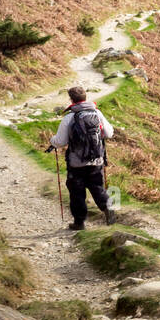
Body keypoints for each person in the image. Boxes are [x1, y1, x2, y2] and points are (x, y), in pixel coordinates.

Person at [47, 86, 116, 230]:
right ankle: (108, 209)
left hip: (76, 163)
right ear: (85, 98)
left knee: (77, 192)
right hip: (96, 160)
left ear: (71, 100)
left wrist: (52, 141)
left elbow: (60, 141)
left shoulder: (69, 117)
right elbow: (109, 133)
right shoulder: (97, 113)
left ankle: (79, 223)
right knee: (97, 187)